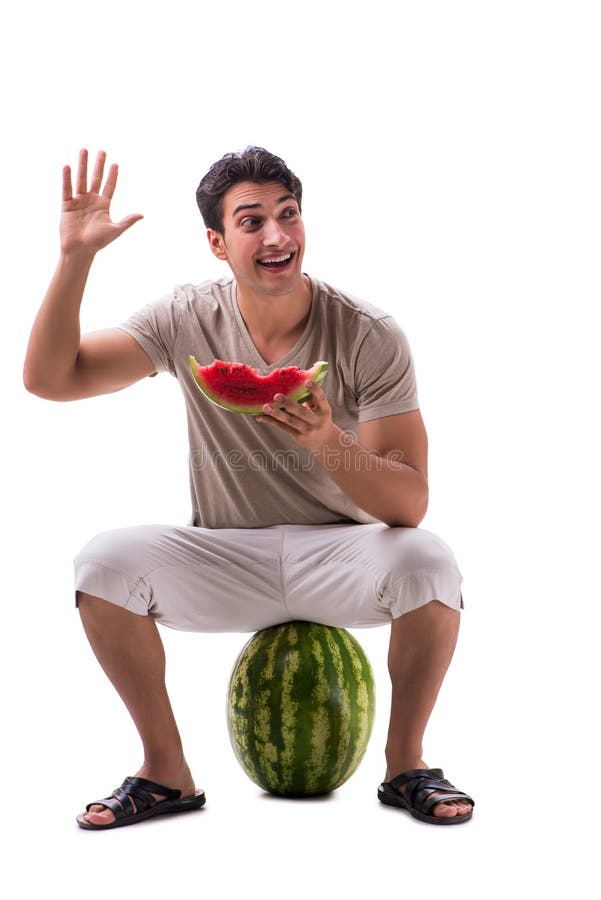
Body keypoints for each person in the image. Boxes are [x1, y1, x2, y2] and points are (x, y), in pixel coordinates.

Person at [23, 146, 474, 830]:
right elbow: (51, 379)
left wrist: (326, 441)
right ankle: (165, 772)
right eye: (251, 220)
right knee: (102, 563)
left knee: (431, 562)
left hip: (341, 557)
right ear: (216, 242)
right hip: (224, 554)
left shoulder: (368, 333)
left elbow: (408, 506)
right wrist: (75, 257)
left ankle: (405, 764)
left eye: (287, 215)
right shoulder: (184, 318)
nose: (276, 237)